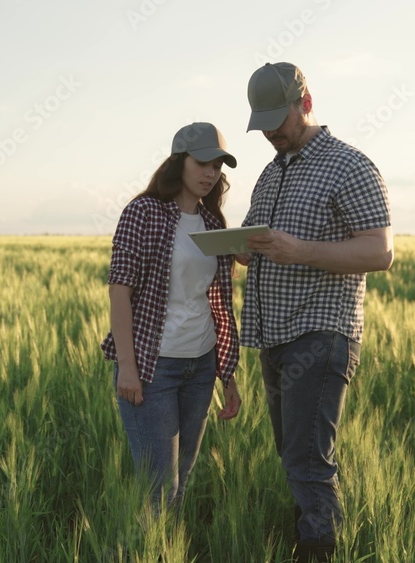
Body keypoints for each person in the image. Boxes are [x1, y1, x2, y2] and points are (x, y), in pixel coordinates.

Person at [237, 63, 393, 562]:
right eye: (261, 124)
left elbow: (379, 252)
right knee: (293, 455)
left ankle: (318, 551)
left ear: (305, 103)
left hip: (320, 333)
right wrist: (237, 246)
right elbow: (253, 240)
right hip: (274, 335)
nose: (270, 133)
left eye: (277, 120)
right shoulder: (270, 172)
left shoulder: (350, 166)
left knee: (308, 458)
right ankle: (307, 538)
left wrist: (300, 250)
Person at [100, 122, 242, 516]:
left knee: (182, 481)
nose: (211, 173)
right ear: (179, 161)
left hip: (201, 366)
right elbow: (120, 291)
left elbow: (219, 303)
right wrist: (127, 367)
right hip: (153, 367)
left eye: (218, 166)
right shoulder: (143, 213)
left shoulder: (214, 223)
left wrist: (226, 375)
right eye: (203, 163)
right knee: (159, 488)